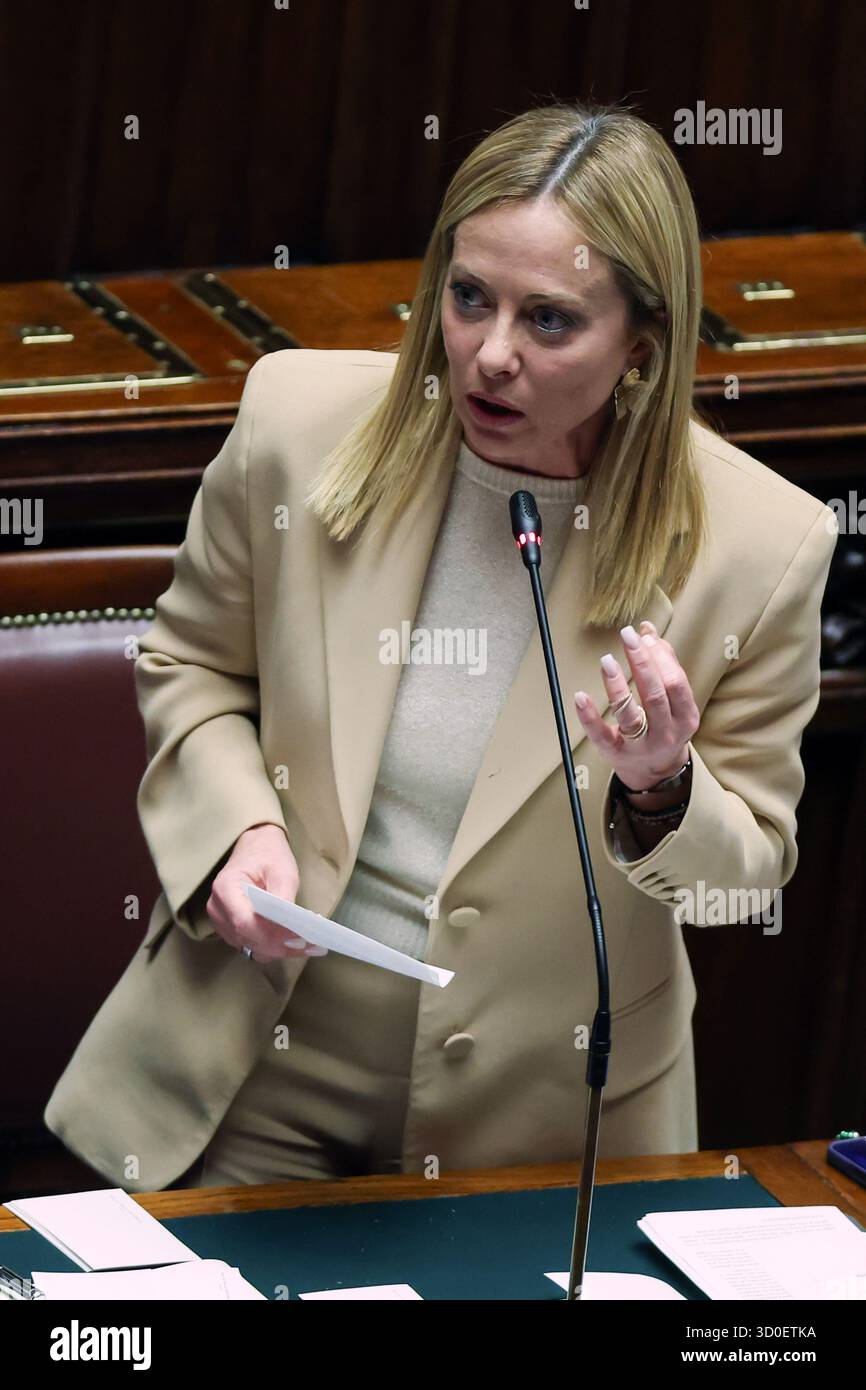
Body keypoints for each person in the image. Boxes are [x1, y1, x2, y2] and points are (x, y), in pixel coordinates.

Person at [45, 101, 836, 1192]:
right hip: (256, 1071)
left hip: (548, 1120)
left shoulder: (762, 544)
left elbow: (736, 888)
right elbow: (192, 666)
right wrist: (235, 829)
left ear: (641, 348)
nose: (490, 354)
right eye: (468, 298)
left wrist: (660, 788)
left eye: (549, 321)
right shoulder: (294, 425)